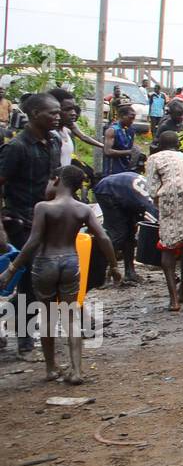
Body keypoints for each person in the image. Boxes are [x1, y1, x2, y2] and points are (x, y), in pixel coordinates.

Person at [0, 166, 119, 383]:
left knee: (47, 316)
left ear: (55, 180)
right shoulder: (83, 209)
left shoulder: (43, 207)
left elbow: (33, 241)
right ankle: (76, 371)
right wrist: (114, 266)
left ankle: (51, 369)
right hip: (70, 263)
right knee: (71, 316)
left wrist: (11, 269)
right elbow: (103, 238)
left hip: (45, 263)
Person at [0, 92, 63, 354]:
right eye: (53, 112)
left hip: (46, 219)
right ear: (35, 114)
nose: (58, 117)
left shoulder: (54, 142)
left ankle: (15, 326)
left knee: (39, 280)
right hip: (19, 221)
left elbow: (54, 179)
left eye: (59, 111)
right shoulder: (16, 148)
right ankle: (24, 339)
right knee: (30, 279)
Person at [145, 131, 183, 311]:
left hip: (173, 196)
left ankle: (173, 300)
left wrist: (161, 208)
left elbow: (151, 189)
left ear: (159, 144)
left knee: (169, 245)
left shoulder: (155, 158)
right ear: (178, 145)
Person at [91, 162, 155, 285]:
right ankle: (97, 274)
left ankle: (130, 272)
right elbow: (153, 231)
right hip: (109, 190)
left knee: (130, 233)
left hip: (125, 192)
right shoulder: (154, 209)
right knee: (118, 234)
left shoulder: (155, 203)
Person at [102, 104, 137, 176]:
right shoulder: (112, 130)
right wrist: (129, 152)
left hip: (125, 167)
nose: (132, 121)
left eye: (133, 119)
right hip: (112, 170)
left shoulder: (130, 130)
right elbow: (107, 151)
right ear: (122, 116)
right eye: (130, 118)